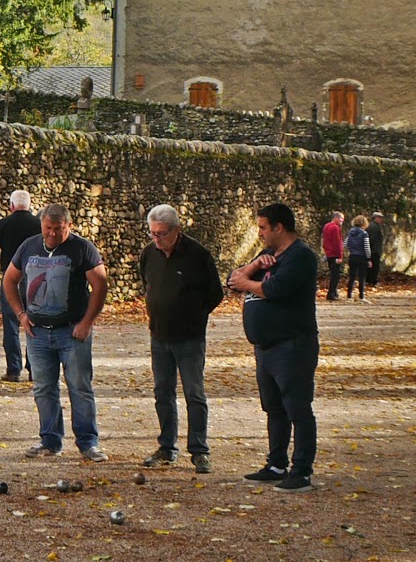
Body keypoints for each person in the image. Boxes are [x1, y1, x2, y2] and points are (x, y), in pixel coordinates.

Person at [3, 204, 110, 462]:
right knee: (43, 388)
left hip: (72, 332)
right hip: (38, 334)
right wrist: (21, 314)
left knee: (80, 387)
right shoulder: (28, 247)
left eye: (58, 229)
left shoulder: (82, 248)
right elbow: (9, 280)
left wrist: (87, 322)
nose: (52, 234)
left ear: (69, 226)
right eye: (48, 228)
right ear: (41, 226)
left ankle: (88, 443)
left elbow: (100, 284)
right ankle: (50, 440)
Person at [228, 203, 319, 493]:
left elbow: (273, 290)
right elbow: (233, 280)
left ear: (279, 227)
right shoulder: (268, 256)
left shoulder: (301, 257)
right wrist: (252, 268)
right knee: (274, 409)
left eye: (264, 227)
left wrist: (247, 282)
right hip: (265, 347)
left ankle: (301, 471)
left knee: (297, 408)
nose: (260, 233)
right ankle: (276, 464)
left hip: (292, 345)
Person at [138, 204, 224, 474]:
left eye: (162, 234)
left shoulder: (198, 255)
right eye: (152, 233)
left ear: (176, 230)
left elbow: (215, 293)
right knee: (162, 393)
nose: (156, 239)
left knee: (194, 394)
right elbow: (147, 283)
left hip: (189, 338)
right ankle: (166, 447)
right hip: (158, 335)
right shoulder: (149, 254)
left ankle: (199, 450)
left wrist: (193, 316)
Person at [0, 189, 42, 382]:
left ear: (11, 206)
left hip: (11, 279)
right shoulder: (39, 224)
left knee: (10, 324)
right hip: (35, 277)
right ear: (29, 205)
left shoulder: (3, 224)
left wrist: (3, 264)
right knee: (35, 322)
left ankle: (13, 370)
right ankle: (34, 368)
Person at [346, 215, 372, 302]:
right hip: (362, 257)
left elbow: (345, 244)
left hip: (352, 256)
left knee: (352, 276)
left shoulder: (350, 233)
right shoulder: (364, 234)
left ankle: (349, 296)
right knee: (362, 277)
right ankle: (361, 296)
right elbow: (367, 247)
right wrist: (368, 258)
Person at [322, 211, 344, 300]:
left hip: (329, 253)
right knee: (335, 275)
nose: (342, 221)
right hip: (335, 254)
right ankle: (331, 293)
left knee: (333, 273)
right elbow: (337, 242)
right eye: (341, 218)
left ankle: (334, 292)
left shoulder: (326, 226)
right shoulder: (335, 228)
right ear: (336, 218)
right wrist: (340, 256)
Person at [366, 212, 385, 287]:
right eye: (379, 218)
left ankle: (370, 280)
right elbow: (371, 239)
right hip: (374, 251)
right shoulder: (374, 227)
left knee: (372, 267)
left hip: (373, 250)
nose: (381, 219)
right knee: (374, 267)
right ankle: (373, 281)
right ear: (375, 218)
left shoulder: (373, 226)